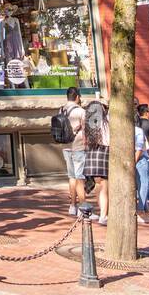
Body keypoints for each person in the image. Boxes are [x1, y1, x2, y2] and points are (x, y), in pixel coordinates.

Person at [60, 87, 88, 217]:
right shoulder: (81, 111)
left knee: (71, 176)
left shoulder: (61, 110)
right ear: (77, 96)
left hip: (66, 146)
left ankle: (72, 206)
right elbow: (85, 131)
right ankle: (83, 208)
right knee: (80, 177)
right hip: (78, 147)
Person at [85, 99, 110, 224]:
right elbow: (108, 140)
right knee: (105, 186)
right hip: (103, 152)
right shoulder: (105, 122)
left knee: (98, 185)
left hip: (91, 152)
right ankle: (104, 215)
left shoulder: (89, 123)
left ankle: (102, 212)